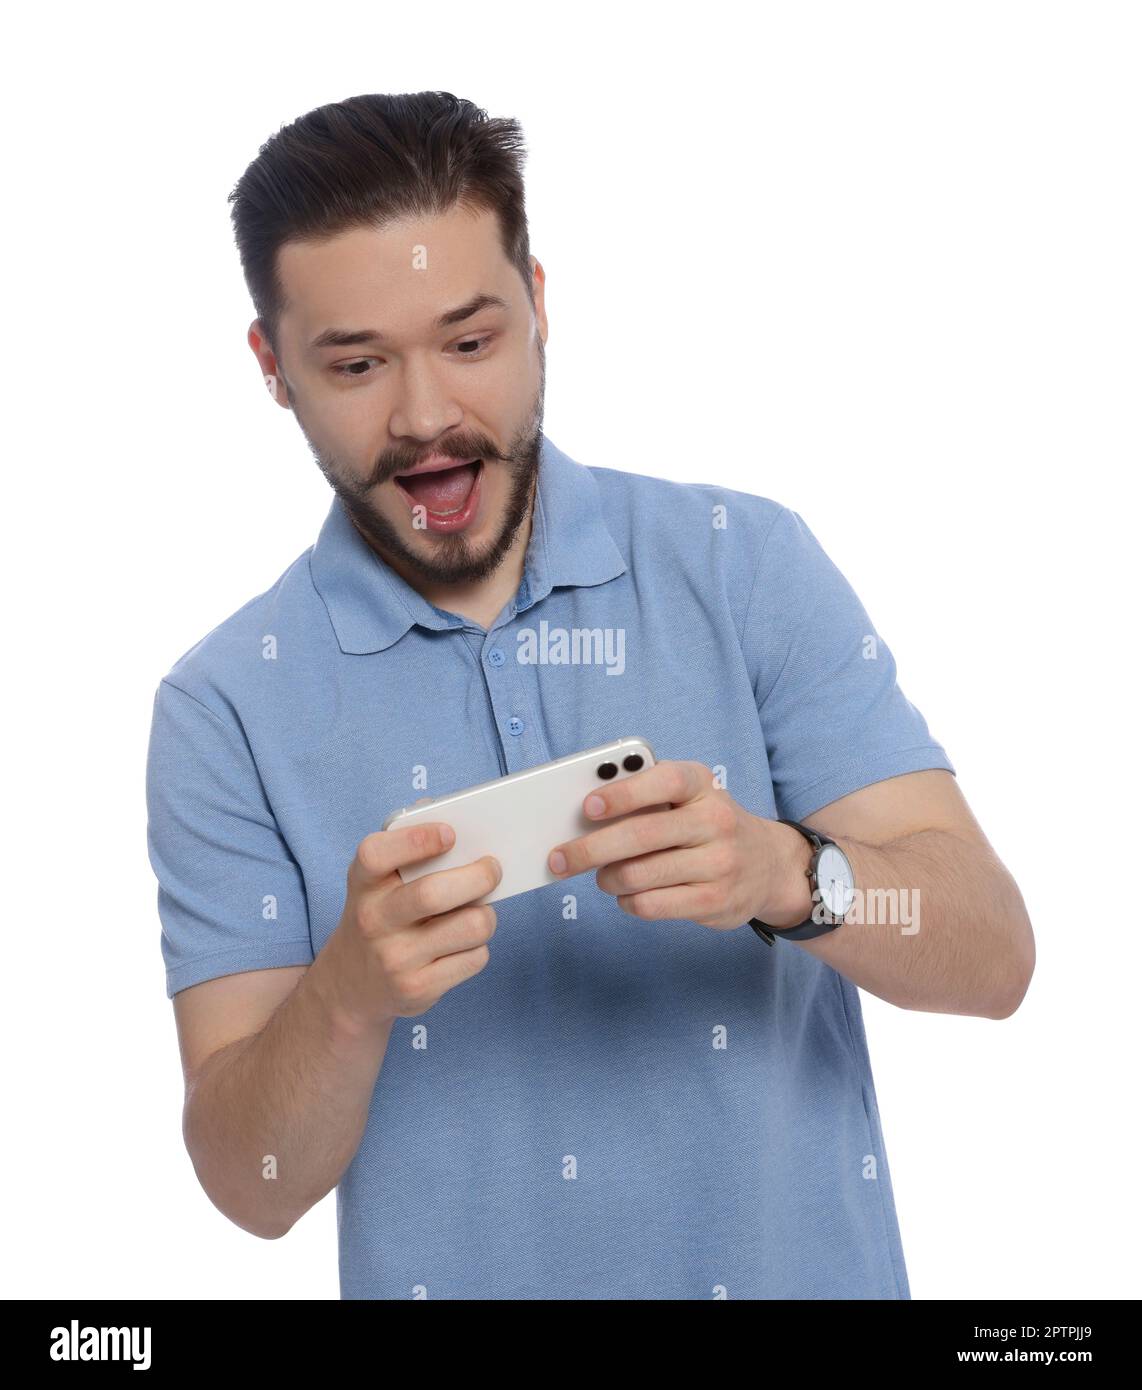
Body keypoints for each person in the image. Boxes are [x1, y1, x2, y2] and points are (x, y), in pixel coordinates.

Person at [145, 91, 1035, 1300]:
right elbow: (250, 1184)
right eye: (355, 363)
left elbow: (992, 957)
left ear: (539, 306)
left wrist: (785, 873)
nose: (423, 417)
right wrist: (346, 998)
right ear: (273, 367)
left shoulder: (740, 563)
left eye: (469, 342)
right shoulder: (224, 706)